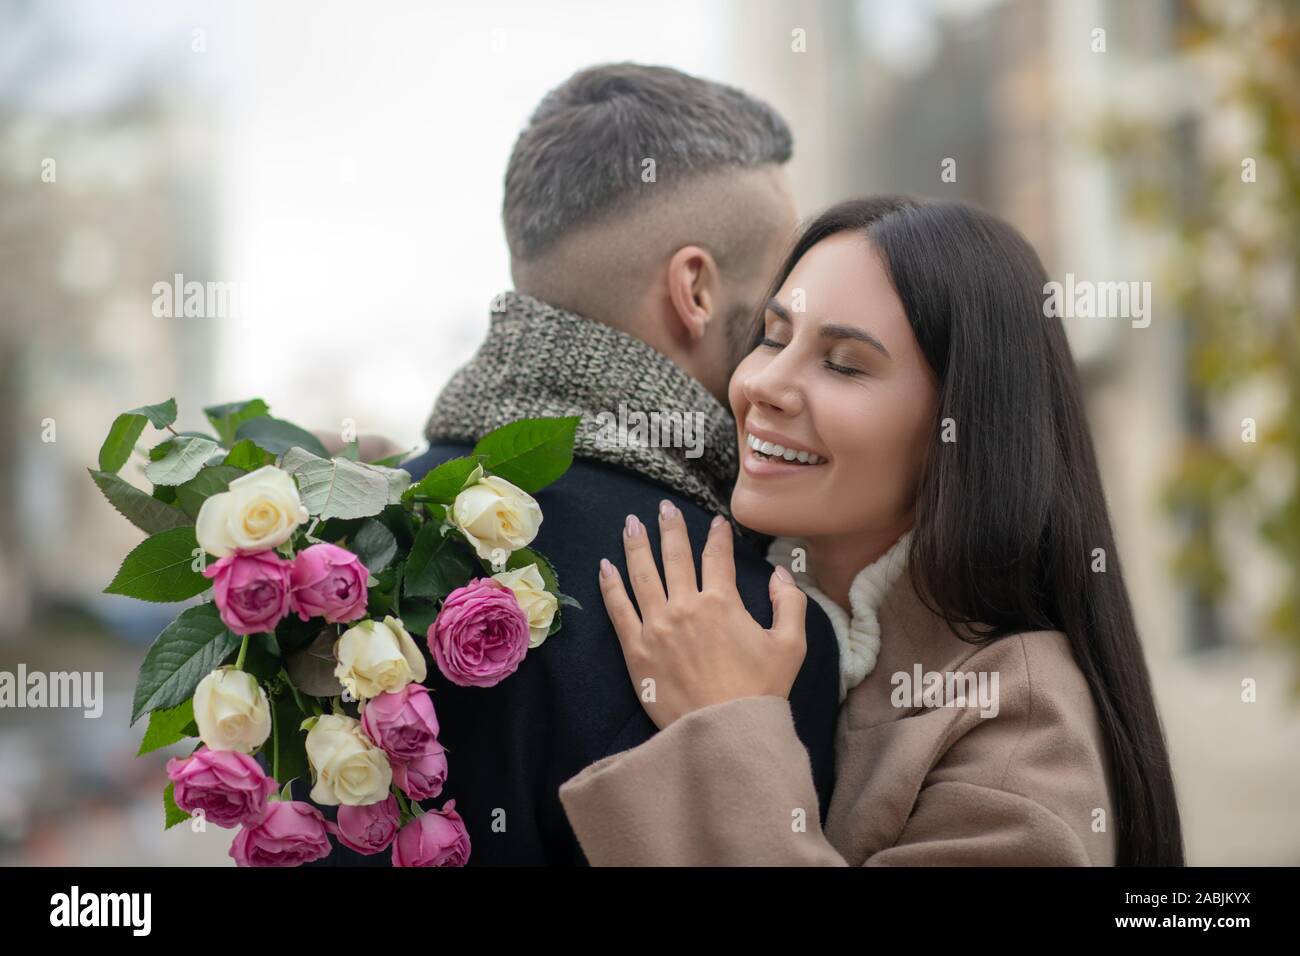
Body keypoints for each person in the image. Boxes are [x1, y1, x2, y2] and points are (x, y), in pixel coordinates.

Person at [303, 63, 843, 865]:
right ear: (694, 288)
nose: (787, 334)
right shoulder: (752, 628)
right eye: (775, 304)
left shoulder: (331, 561)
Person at [560, 196, 1186, 866]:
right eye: (773, 336)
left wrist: (725, 722)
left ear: (961, 430)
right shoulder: (714, 601)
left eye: (845, 363)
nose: (765, 383)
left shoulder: (1021, 717)